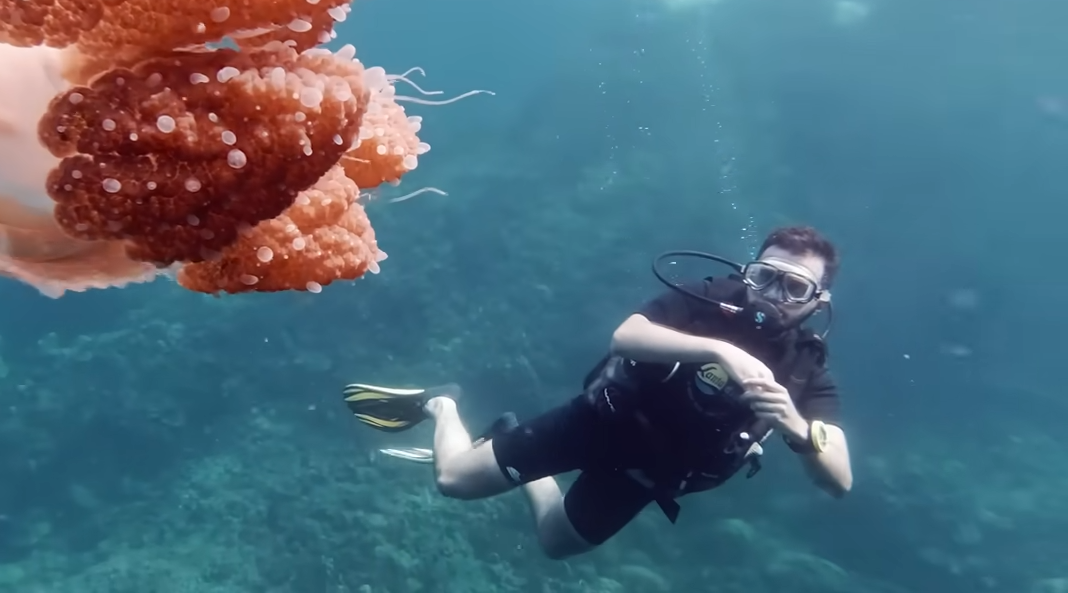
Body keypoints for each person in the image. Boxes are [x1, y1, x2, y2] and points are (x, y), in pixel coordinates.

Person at [341, 225, 853, 560]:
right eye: (765, 277)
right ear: (748, 272)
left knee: (556, 541)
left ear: (818, 301)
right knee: (453, 480)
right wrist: (719, 351)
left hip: (648, 474)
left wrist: (797, 429)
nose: (772, 297)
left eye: (795, 288)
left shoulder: (805, 372)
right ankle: (442, 402)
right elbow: (626, 336)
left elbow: (839, 481)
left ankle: (506, 434)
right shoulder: (705, 303)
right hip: (601, 423)